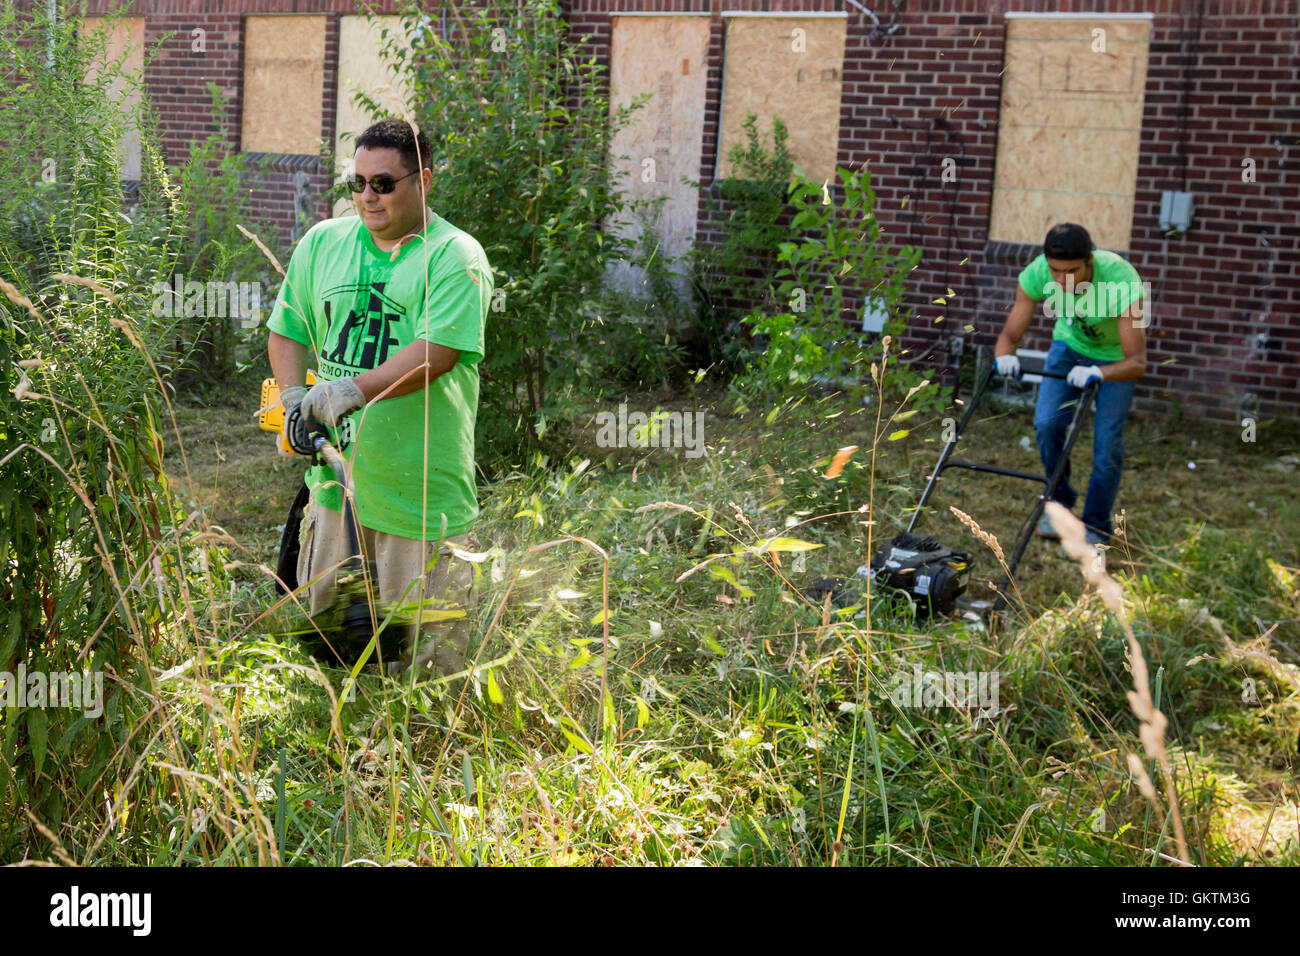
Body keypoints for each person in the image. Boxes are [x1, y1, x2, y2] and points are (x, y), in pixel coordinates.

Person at [267, 117, 493, 676]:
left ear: (424, 181)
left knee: (422, 672)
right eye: (358, 183)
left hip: (420, 498)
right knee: (330, 662)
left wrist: (349, 389)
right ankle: (340, 760)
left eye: (384, 184)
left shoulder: (453, 257)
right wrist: (297, 394)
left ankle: (421, 765)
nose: (368, 197)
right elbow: (287, 329)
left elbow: (436, 353)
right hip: (334, 490)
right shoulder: (323, 243)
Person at [993, 223, 1147, 546]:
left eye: (1072, 272)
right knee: (1047, 425)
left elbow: (1137, 362)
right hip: (1069, 347)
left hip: (1115, 359)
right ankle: (1060, 505)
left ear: (1089, 261)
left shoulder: (1123, 281)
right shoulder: (1037, 274)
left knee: (1106, 448)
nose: (1062, 282)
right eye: (1055, 272)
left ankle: (1096, 525)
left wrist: (1100, 373)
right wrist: (1005, 356)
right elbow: (1009, 335)